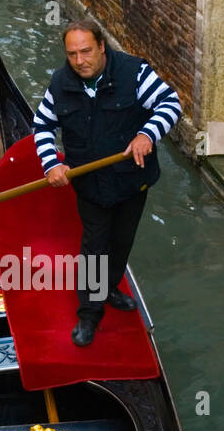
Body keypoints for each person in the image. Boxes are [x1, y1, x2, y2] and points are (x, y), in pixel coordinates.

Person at [33, 20, 181, 347]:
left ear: (101, 46)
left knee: (121, 240)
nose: (79, 60)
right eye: (72, 54)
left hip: (132, 181)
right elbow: (42, 126)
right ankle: (90, 312)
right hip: (90, 183)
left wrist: (146, 134)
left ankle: (111, 286)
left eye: (86, 51)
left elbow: (171, 104)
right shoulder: (60, 84)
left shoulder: (135, 73)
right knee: (94, 247)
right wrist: (51, 164)